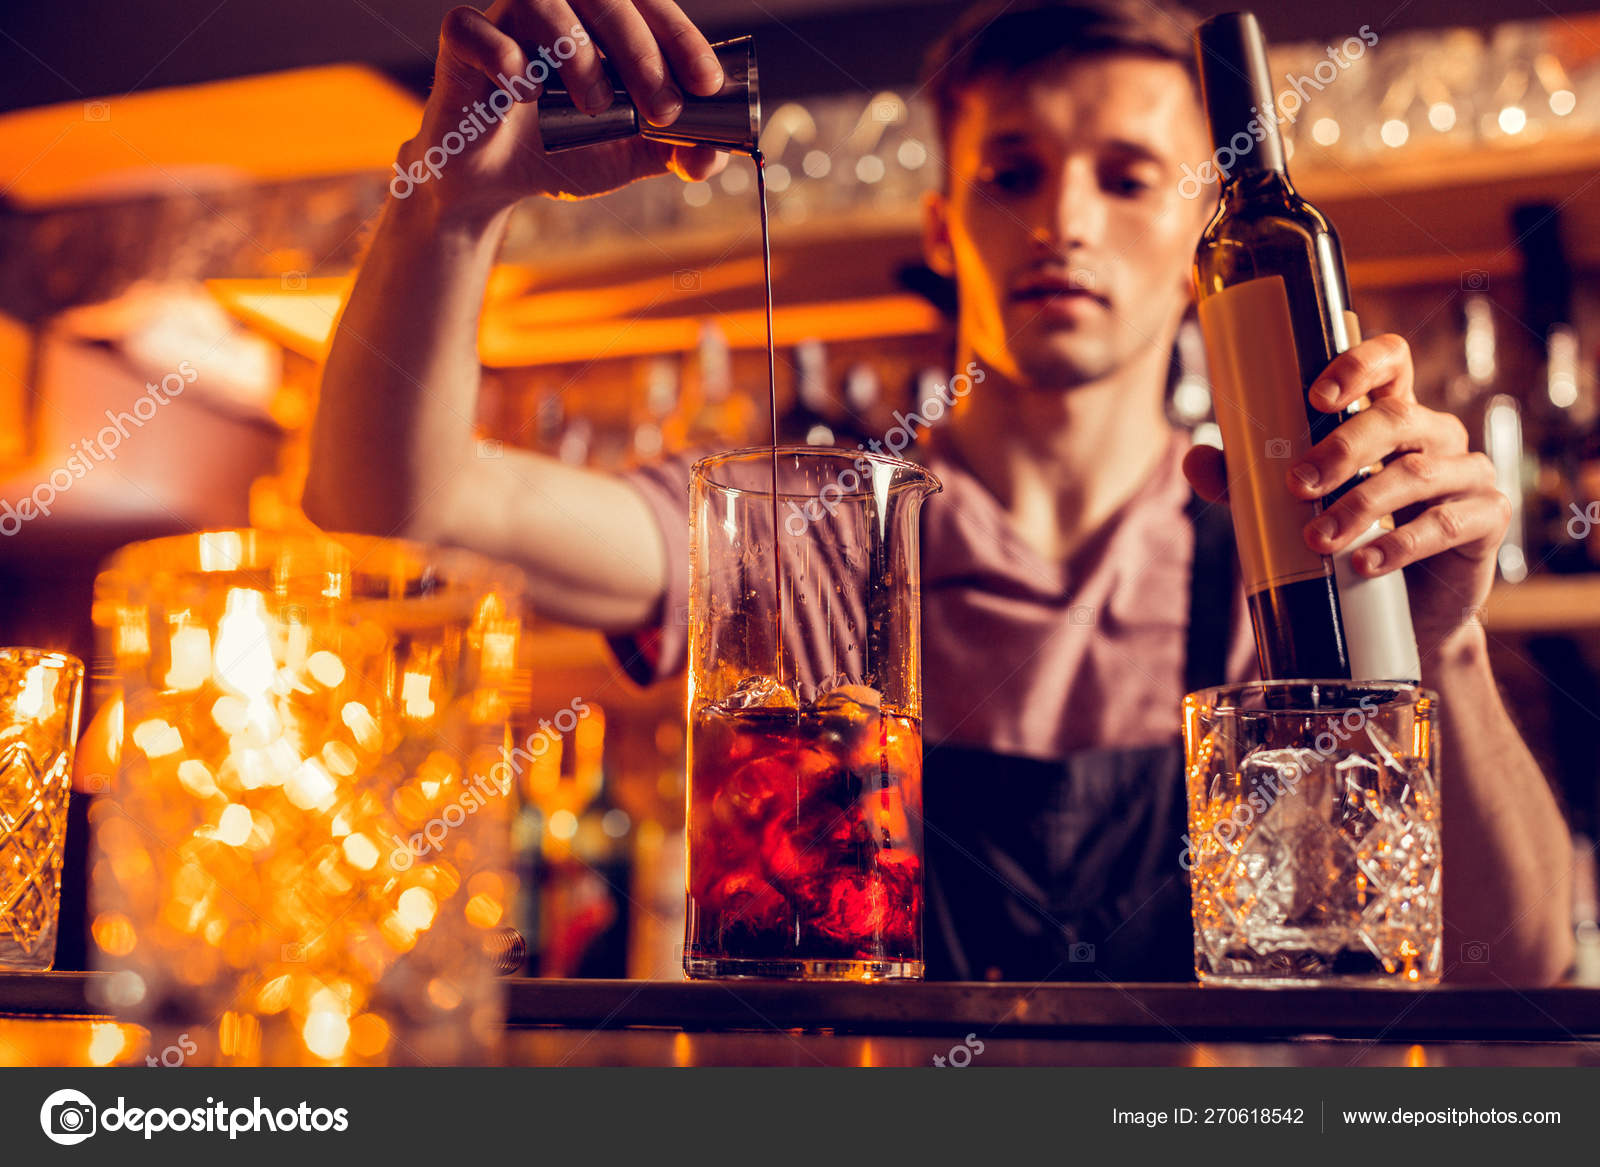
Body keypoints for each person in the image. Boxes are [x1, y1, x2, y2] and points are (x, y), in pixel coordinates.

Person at [303, 0, 1574, 983]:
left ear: (1201, 229)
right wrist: (449, 204)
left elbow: (1510, 971)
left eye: (1126, 176)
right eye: (1010, 171)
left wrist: (1441, 646)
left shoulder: (1284, 558)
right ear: (938, 225)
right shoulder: (804, 539)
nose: (1060, 222)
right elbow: (387, 500)